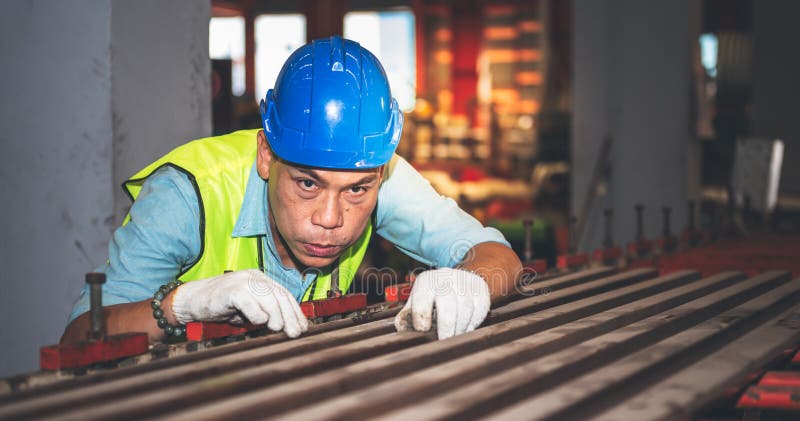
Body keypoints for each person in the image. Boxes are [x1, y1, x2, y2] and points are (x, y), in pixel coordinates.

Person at [62, 36, 521, 344]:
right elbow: (79, 337)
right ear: (266, 154)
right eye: (307, 183)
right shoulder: (187, 194)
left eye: (357, 191)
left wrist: (470, 281)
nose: (330, 219)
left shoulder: (373, 171)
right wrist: (183, 305)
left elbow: (499, 257)